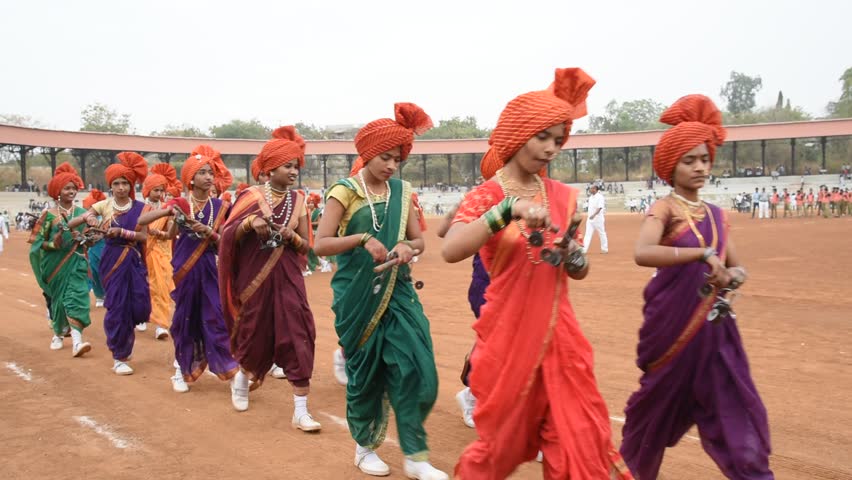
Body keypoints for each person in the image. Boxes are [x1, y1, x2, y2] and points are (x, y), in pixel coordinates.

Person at [442, 68, 631, 479]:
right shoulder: (487, 195)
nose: (550, 148)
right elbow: (450, 249)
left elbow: (579, 269)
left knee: (576, 441)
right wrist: (505, 211)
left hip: (562, 342)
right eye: (542, 136)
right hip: (509, 342)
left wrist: (572, 254)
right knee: (499, 452)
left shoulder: (562, 197)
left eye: (557, 139)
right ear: (516, 134)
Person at [620, 95, 773, 479]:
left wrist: (731, 279)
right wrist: (700, 254)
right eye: (689, 160)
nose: (700, 167)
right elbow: (642, 252)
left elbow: (738, 269)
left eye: (704, 159)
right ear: (671, 166)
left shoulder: (718, 216)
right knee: (650, 420)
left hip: (715, 335)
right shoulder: (664, 209)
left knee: (735, 414)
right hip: (672, 333)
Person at [314, 103, 447, 479]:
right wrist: (361, 238)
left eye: (397, 159)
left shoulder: (402, 192)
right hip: (357, 296)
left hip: (399, 292)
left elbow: (418, 242)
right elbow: (320, 244)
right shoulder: (344, 191)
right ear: (367, 154)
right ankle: (364, 447)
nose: (391, 165)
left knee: (418, 369)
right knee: (367, 373)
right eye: (384, 157)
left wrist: (408, 247)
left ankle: (415, 455)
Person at [219, 126, 321, 428]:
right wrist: (250, 222)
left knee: (300, 334)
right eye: (287, 166)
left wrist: (291, 236)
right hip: (255, 282)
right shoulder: (249, 196)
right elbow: (227, 236)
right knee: (253, 334)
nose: (293, 172)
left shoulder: (299, 200)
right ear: (269, 169)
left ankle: (301, 409)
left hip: (289, 279)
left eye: (295, 167)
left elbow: (306, 245)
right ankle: (242, 379)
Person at [138, 146, 239, 396]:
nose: (208, 177)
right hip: (184, 269)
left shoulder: (221, 206)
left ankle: (231, 370)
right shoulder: (180, 203)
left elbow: (226, 242)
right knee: (184, 319)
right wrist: (169, 212)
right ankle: (180, 370)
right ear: (190, 179)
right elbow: (144, 223)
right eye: (202, 173)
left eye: (210, 172)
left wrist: (210, 233)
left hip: (209, 269)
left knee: (216, 317)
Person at [70, 152, 151, 375]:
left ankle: (124, 340)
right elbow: (71, 222)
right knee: (117, 307)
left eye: (125, 183)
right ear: (110, 186)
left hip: (133, 259)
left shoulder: (141, 207)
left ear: (131, 185)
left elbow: (144, 237)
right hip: (112, 260)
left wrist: (123, 232)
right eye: (116, 183)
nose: (121, 188)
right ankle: (119, 356)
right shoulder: (103, 205)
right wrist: (88, 217)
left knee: (139, 307)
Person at [28, 163, 93, 356]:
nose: (71, 191)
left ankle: (77, 342)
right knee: (58, 301)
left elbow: (89, 241)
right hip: (54, 265)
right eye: (67, 188)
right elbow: (37, 244)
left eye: (74, 188)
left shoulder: (84, 214)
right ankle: (58, 333)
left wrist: (86, 240)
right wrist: (54, 244)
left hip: (77, 262)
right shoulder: (47, 215)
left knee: (78, 297)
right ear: (58, 191)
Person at [141, 163, 182, 341]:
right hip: (143, 253)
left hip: (163, 254)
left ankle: (161, 324)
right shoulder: (140, 209)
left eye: (161, 190)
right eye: (155, 190)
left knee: (162, 288)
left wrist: (163, 232)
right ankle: (142, 315)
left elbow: (171, 233)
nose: (159, 193)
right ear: (147, 191)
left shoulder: (167, 209)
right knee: (144, 288)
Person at [82, 189, 107, 307]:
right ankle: (99, 295)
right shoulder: (86, 218)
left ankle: (108, 293)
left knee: (105, 271)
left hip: (104, 247)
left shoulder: (105, 217)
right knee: (93, 272)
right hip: (92, 248)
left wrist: (101, 235)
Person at [583, 183, 608, 254]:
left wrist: (594, 215)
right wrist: (591, 216)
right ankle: (584, 249)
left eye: (592, 188)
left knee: (601, 233)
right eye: (590, 188)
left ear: (595, 189)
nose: (590, 189)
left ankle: (604, 249)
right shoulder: (590, 197)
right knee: (587, 234)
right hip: (590, 219)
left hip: (598, 219)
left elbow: (600, 207)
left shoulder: (600, 197)